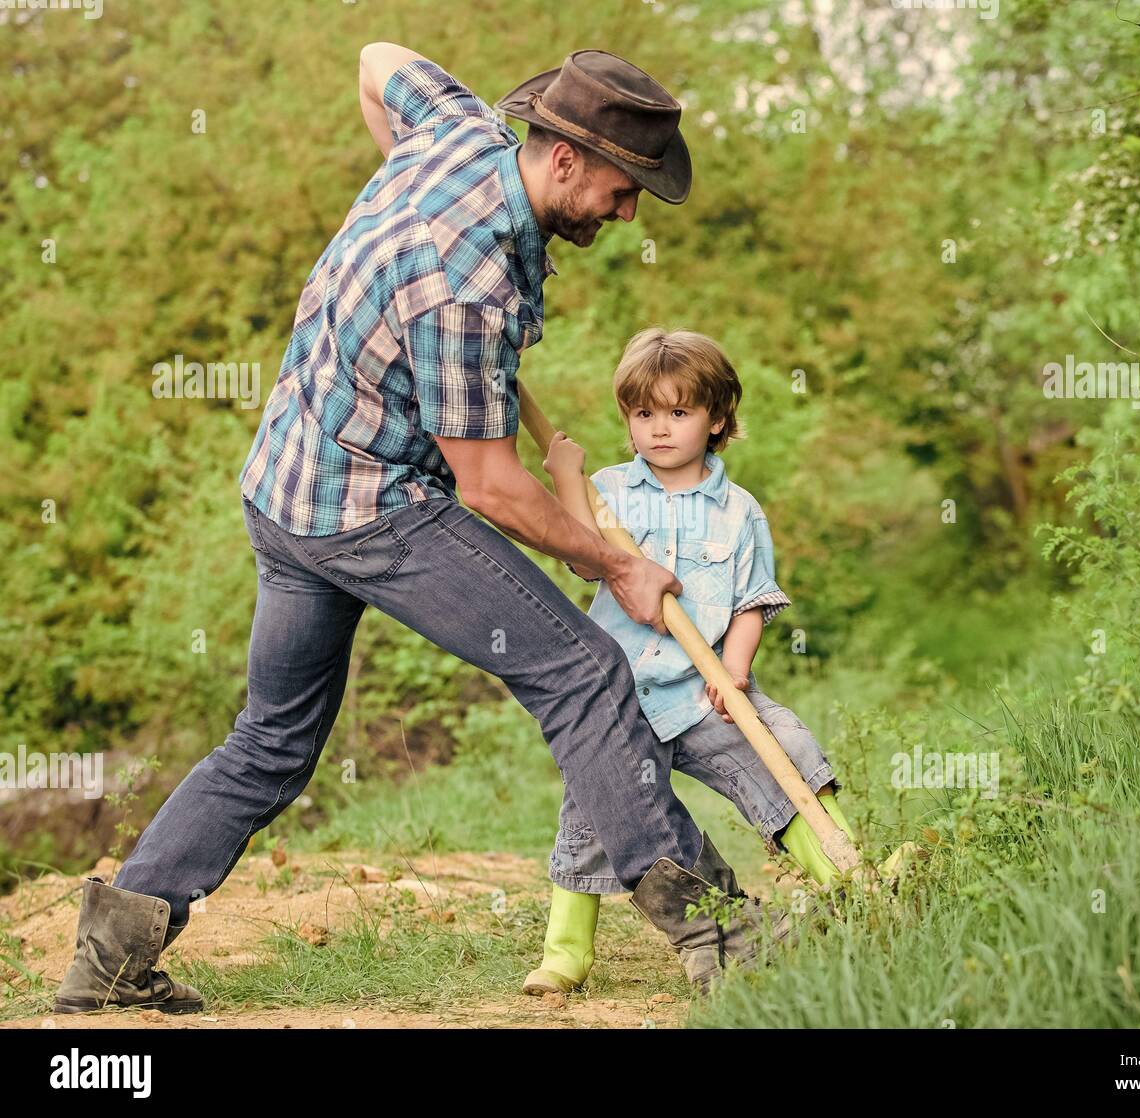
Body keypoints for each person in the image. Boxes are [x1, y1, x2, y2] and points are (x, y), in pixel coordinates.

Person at [54, 45, 789, 1015]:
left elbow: (373, 60)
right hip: (371, 511)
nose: (627, 213)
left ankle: (107, 967)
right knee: (582, 671)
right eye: (623, 189)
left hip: (284, 486)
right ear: (564, 160)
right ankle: (716, 931)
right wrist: (616, 562)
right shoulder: (467, 283)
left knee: (271, 737)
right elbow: (489, 484)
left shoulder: (452, 135)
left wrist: (394, 209)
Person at [523, 327, 857, 996]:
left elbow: (751, 604)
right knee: (590, 814)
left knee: (783, 750)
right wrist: (565, 477)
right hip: (618, 699)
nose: (660, 429)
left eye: (679, 413)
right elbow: (581, 552)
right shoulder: (609, 491)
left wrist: (732, 673)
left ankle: (849, 881)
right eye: (644, 414)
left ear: (718, 418)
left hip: (705, 689)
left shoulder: (740, 513)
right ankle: (565, 954)